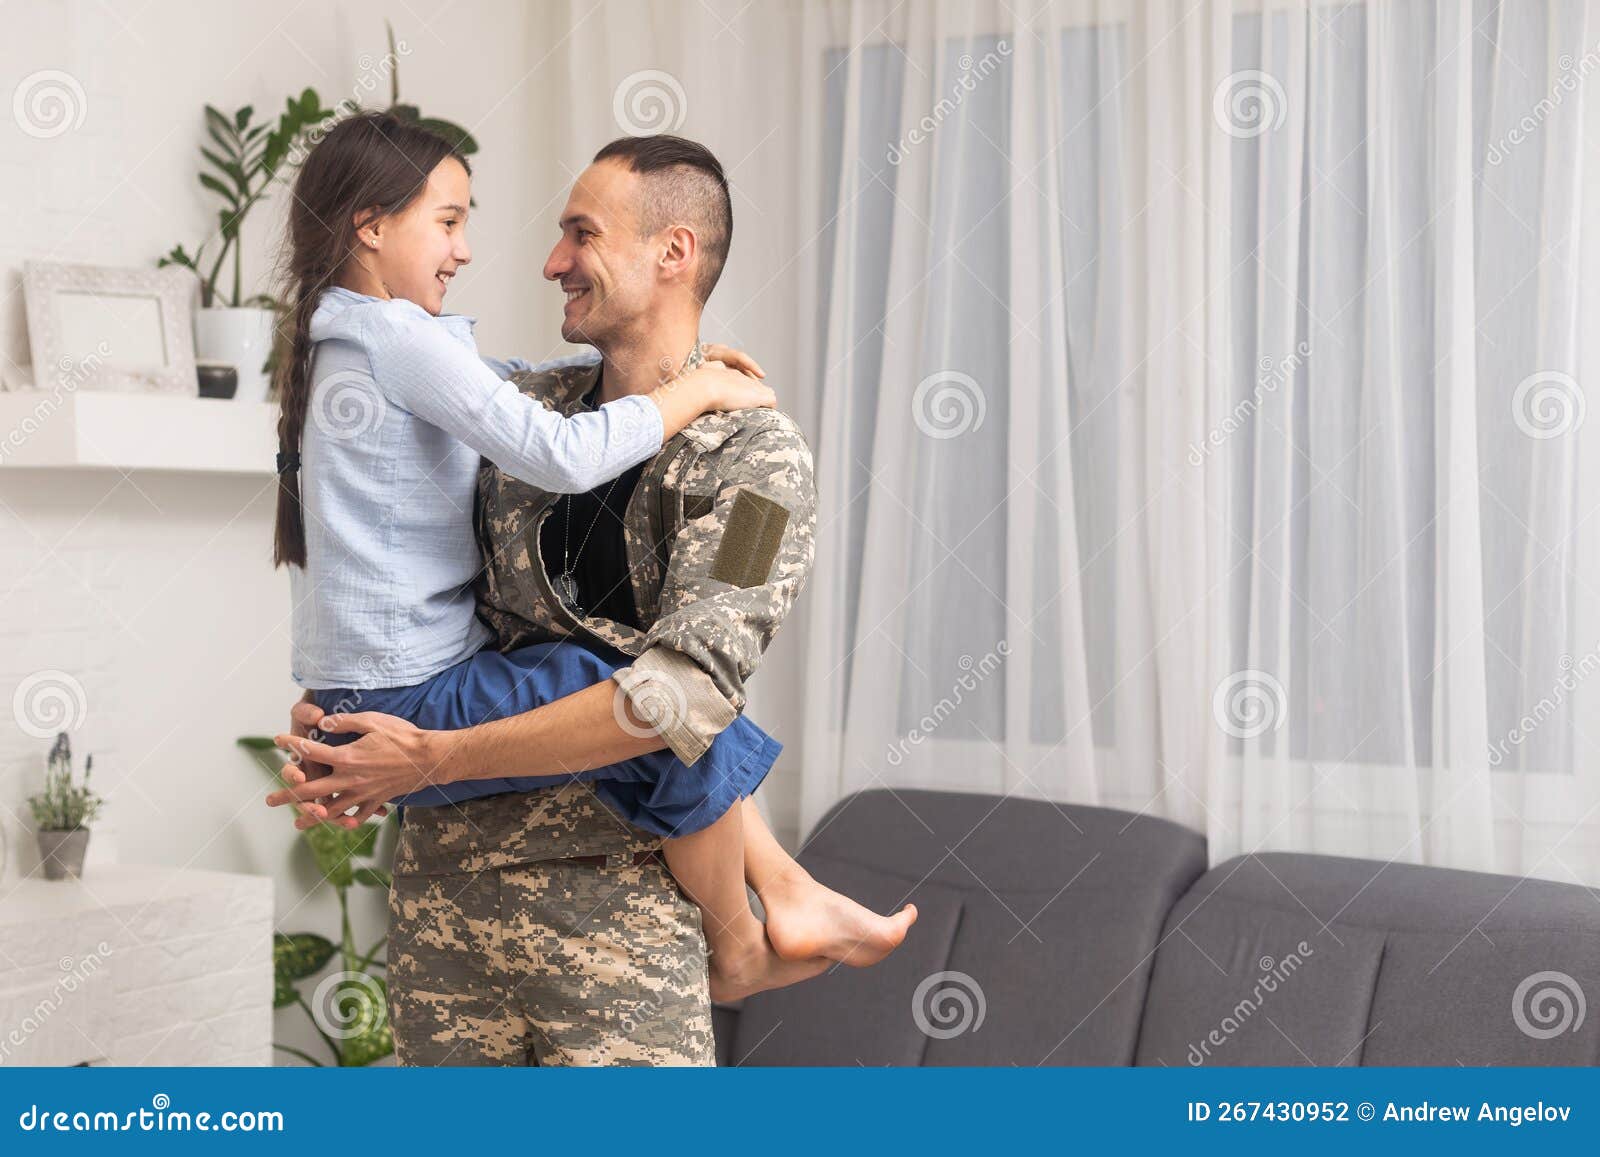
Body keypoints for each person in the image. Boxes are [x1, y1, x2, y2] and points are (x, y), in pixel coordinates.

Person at [270, 125, 915, 1062]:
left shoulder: (760, 466)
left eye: (580, 234)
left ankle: (755, 921)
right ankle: (782, 888)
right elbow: (379, 533)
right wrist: (342, 724)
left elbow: (680, 699)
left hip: (618, 935)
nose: (549, 262)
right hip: (444, 914)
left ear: (672, 252)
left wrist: (434, 755)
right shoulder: (520, 410)